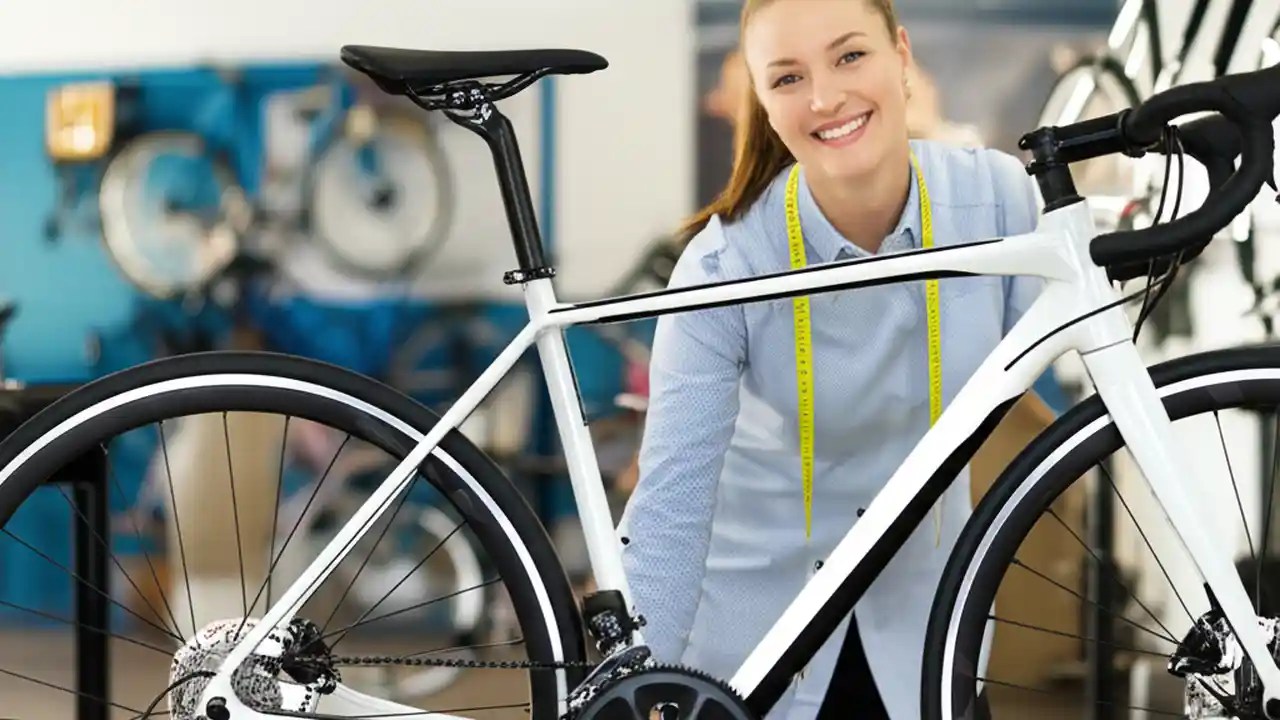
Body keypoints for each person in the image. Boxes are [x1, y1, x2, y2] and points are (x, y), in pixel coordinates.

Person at [616, 1, 1045, 718]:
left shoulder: (998, 203)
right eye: (787, 78)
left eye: (850, 56)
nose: (824, 97)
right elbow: (672, 502)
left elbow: (1066, 378)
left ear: (901, 56)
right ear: (763, 102)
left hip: (928, 641)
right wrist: (635, 680)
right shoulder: (726, 264)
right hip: (758, 649)